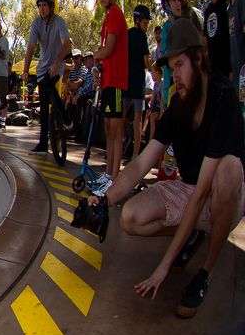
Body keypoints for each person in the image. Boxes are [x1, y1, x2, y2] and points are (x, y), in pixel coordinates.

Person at [86, 19, 244, 318]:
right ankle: (193, 234)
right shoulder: (178, 105)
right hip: (193, 190)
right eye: (172, 68)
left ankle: (206, 272)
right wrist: (105, 200)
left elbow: (201, 197)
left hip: (225, 198)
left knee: (229, 169)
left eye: (181, 65)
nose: (176, 76)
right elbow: (141, 164)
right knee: (131, 218)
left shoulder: (223, 97)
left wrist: (164, 266)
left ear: (198, 59)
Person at [90, 0, 128, 185]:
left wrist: (92, 56)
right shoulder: (106, 18)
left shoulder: (115, 14)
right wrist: (96, 67)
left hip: (115, 81)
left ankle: (113, 176)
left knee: (115, 130)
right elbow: (103, 52)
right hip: (107, 81)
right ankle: (108, 173)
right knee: (108, 128)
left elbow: (109, 49)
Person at [23, 0, 73, 153]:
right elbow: (31, 47)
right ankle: (43, 143)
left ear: (51, 7)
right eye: (39, 6)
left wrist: (57, 62)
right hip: (43, 67)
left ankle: (65, 117)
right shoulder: (37, 23)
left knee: (47, 84)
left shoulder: (60, 22)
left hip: (57, 64)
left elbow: (66, 45)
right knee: (44, 106)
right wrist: (25, 70)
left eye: (44, 5)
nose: (42, 9)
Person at [126, 5, 151, 161]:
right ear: (138, 20)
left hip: (126, 83)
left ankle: (119, 145)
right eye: (146, 22)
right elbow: (146, 62)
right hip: (139, 84)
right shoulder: (142, 37)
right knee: (138, 118)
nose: (147, 25)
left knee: (121, 115)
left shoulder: (127, 34)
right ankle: (135, 153)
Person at [202, 0, 230, 78]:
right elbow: (206, 39)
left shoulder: (226, 5)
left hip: (227, 66)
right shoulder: (208, 10)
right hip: (213, 68)